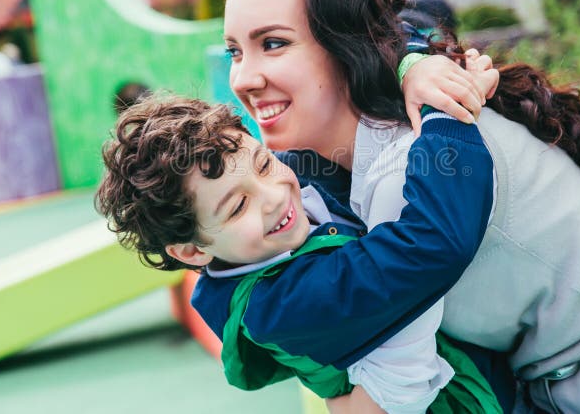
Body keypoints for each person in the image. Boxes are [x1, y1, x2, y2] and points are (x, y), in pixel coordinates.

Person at [221, 0, 580, 413]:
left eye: (274, 43)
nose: (244, 77)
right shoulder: (373, 136)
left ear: (344, 45)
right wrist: (412, 60)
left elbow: (400, 369)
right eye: (236, 51)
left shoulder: (413, 162)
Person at [95, 94, 502, 413]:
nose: (273, 197)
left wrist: (414, 65)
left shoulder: (274, 200)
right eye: (237, 208)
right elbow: (429, 248)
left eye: (265, 164)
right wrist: (445, 113)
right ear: (191, 250)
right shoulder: (283, 306)